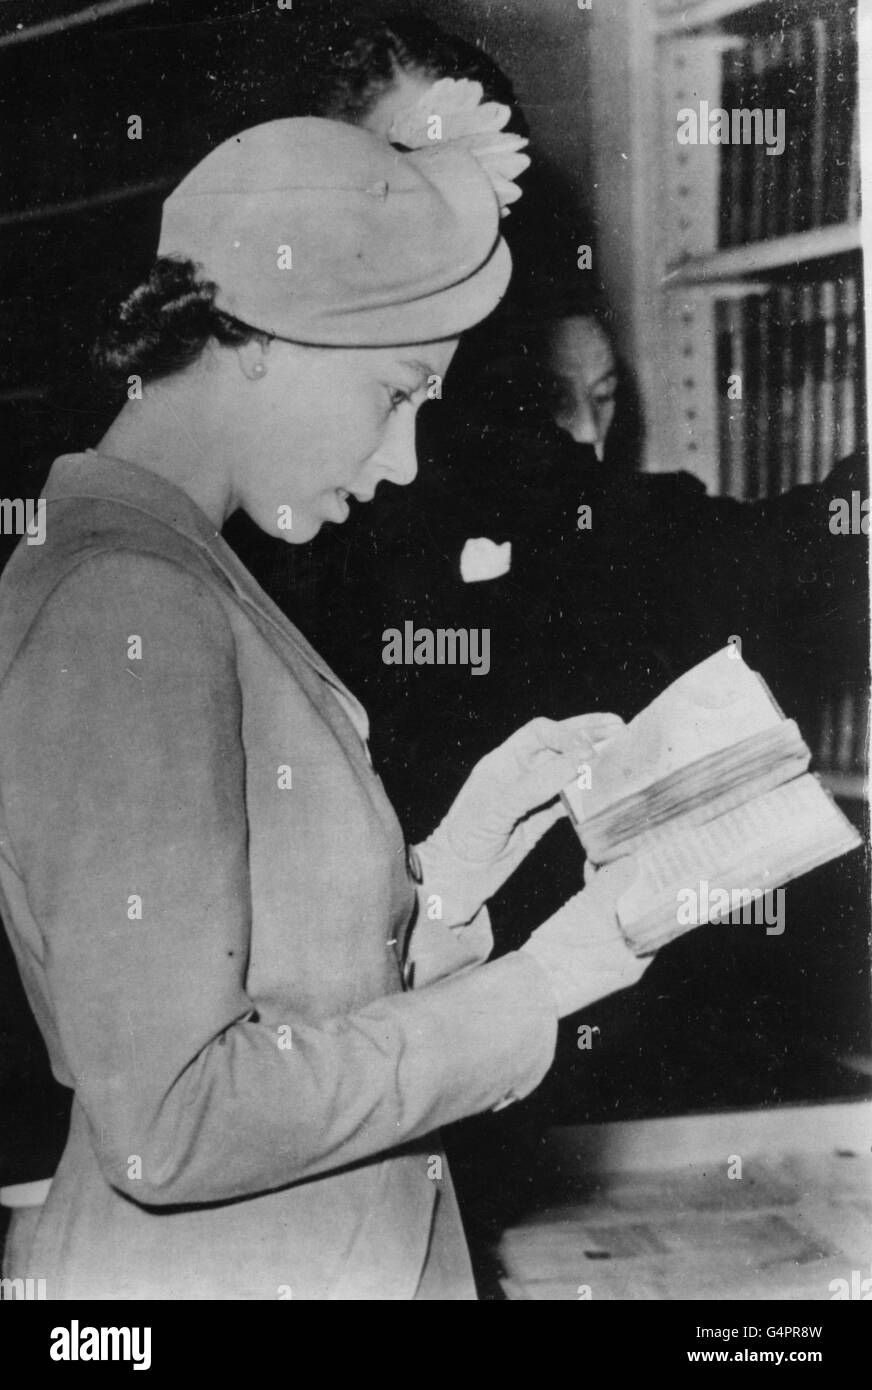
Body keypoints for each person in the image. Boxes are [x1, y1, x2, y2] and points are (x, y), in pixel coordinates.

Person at [0, 115, 651, 1300]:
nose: (404, 460)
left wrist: (447, 870)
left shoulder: (172, 568)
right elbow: (173, 1116)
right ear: (263, 343)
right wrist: (536, 989)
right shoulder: (125, 601)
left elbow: (263, 983)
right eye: (398, 393)